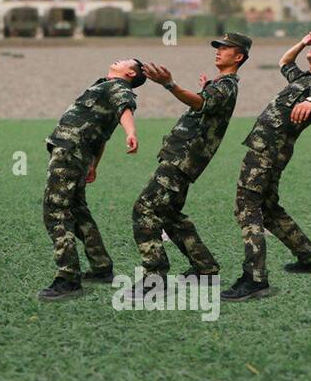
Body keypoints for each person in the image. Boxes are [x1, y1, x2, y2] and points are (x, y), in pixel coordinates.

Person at [221, 32, 311, 301]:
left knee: (246, 206)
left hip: (268, 149)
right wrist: (301, 43)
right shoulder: (304, 77)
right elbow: (284, 62)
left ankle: (254, 279)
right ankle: (310, 258)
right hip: (270, 148)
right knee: (268, 208)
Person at [133, 33, 250, 281]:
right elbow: (206, 103)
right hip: (181, 157)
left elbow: (200, 104)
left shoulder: (227, 85)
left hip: (183, 159)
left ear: (238, 56)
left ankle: (154, 278)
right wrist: (207, 87)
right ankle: (205, 268)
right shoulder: (221, 85)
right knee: (169, 214)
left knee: (145, 209)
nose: (218, 51)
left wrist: (169, 84)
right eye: (218, 47)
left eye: (225, 48)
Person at [37, 58, 142, 301]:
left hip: (70, 151)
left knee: (55, 210)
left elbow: (126, 108)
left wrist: (131, 132)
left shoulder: (119, 88)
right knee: (78, 210)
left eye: (126, 60)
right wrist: (94, 164)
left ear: (130, 72)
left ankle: (68, 278)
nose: (119, 59)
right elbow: (102, 136)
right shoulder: (105, 88)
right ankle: (101, 267)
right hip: (79, 154)